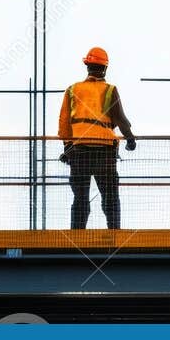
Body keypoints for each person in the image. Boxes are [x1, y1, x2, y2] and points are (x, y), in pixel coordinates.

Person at [57, 46, 137, 229]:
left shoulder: (72, 90)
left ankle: (77, 238)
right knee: (110, 198)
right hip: (104, 152)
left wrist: (67, 148)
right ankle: (114, 235)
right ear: (105, 68)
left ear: (87, 66)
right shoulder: (109, 90)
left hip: (79, 152)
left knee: (80, 198)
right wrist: (130, 139)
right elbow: (120, 119)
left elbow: (64, 122)